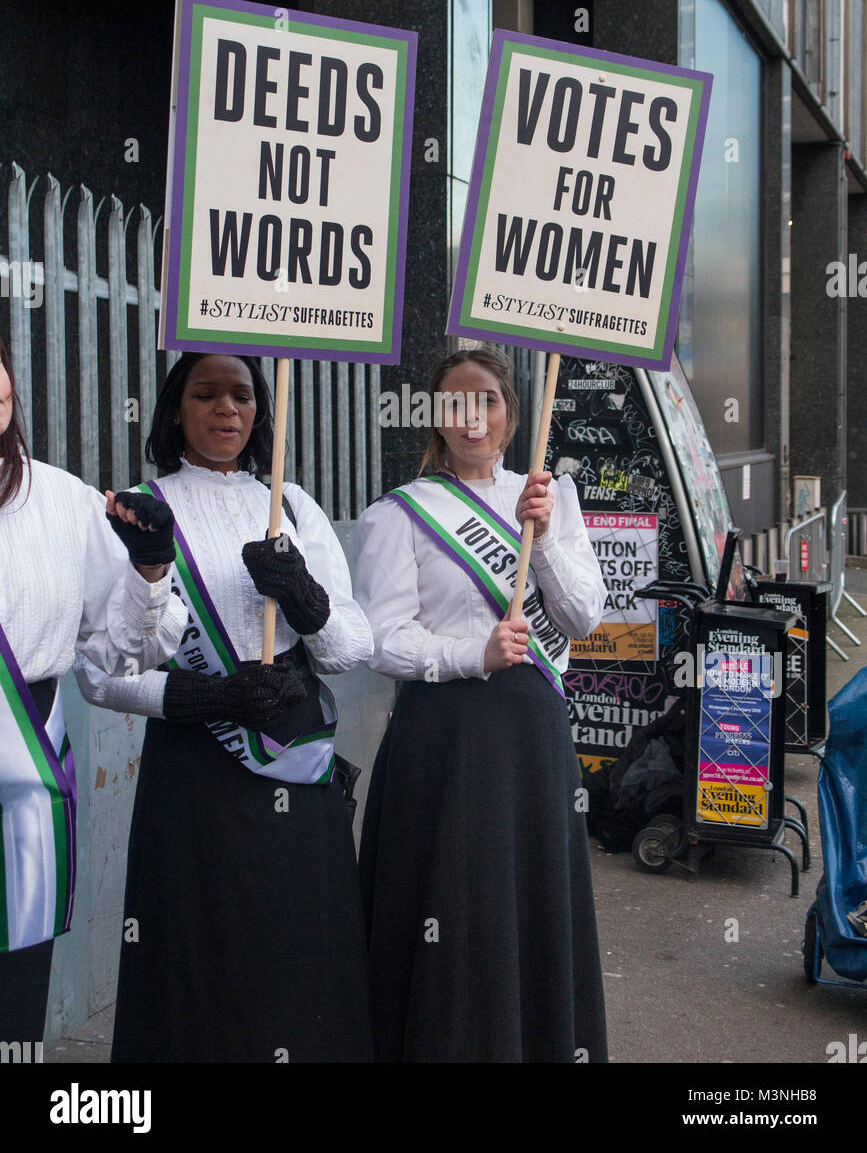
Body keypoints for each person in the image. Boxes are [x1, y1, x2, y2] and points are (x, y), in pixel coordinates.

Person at [77, 351, 375, 1063]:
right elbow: (104, 671)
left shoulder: (293, 504)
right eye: (206, 395)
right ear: (175, 409)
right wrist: (213, 694)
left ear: (259, 410)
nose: (226, 410)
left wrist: (304, 598)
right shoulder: (138, 509)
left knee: (297, 947)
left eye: (241, 396)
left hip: (294, 763)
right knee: (198, 952)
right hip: (198, 766)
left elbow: (350, 646)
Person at [354, 345, 609, 1063]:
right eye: (456, 402)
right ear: (435, 415)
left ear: (511, 411)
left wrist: (546, 536)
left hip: (531, 734)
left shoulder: (549, 497)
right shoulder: (400, 513)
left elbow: (584, 617)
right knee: (448, 904)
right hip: (442, 733)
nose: (473, 418)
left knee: (528, 901)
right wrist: (473, 655)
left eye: (487, 401)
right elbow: (380, 640)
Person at [0, 336, 186, 1044]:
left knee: (15, 987)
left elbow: (125, 653)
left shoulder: (63, 500)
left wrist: (147, 571)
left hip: (23, 768)